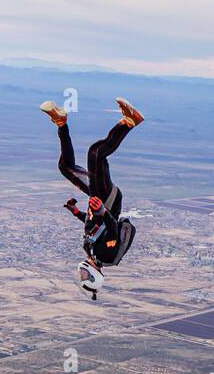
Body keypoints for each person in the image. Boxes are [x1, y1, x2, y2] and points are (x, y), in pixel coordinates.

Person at [40, 96, 144, 298]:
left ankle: (61, 122)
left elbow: (93, 225)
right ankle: (130, 121)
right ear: (95, 276)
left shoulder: (90, 249)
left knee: (66, 168)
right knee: (96, 153)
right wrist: (103, 210)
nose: (82, 272)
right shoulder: (106, 255)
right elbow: (112, 227)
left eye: (81, 275)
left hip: (96, 202)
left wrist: (76, 212)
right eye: (85, 275)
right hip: (107, 200)